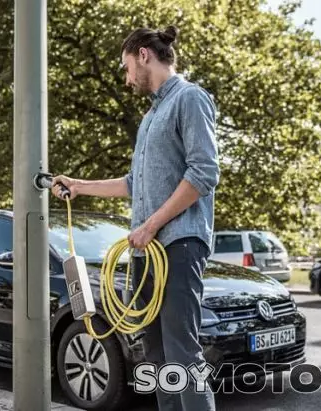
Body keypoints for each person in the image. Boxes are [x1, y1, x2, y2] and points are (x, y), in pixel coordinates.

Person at [51, 25, 219, 411]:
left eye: (126, 67)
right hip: (146, 254)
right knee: (156, 357)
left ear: (144, 55)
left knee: (182, 354)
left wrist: (151, 224)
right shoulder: (150, 118)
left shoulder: (190, 99)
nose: (127, 79)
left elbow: (203, 174)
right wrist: (79, 185)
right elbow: (134, 183)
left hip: (178, 244)